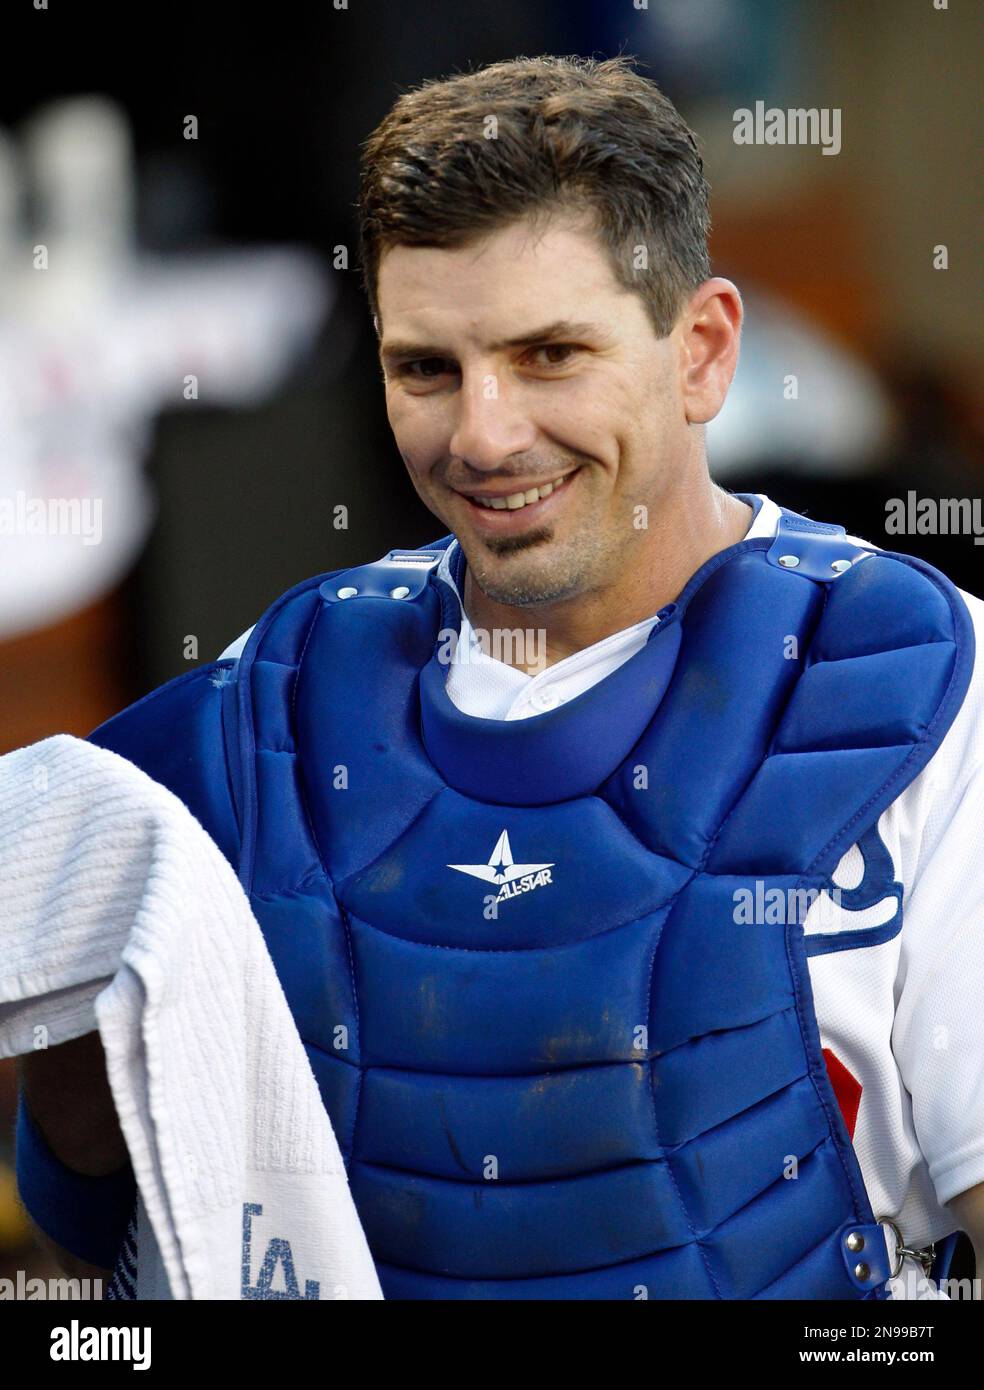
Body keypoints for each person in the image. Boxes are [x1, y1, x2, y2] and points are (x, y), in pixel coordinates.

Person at [17, 54, 984, 1300]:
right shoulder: (277, 697)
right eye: (427, 368)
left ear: (701, 352)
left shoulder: (918, 694)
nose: (482, 434)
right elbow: (87, 1239)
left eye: (549, 355)